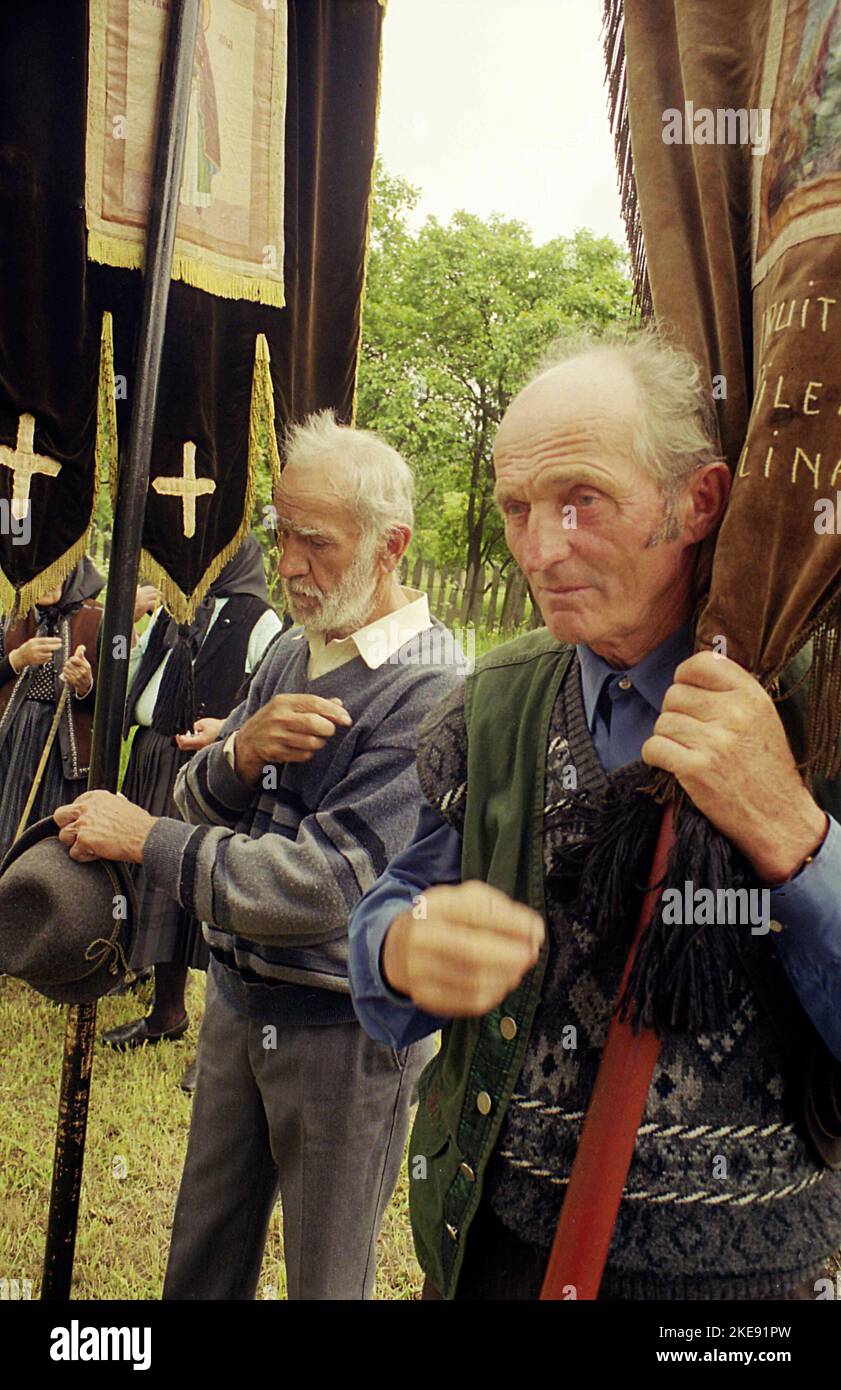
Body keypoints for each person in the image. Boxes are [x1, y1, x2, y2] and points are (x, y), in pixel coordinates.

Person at [348, 331, 841, 1302]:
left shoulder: (817, 711)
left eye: (581, 501)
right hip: (499, 1255)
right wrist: (402, 947)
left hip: (751, 1286)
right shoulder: (491, 706)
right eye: (518, 508)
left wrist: (791, 831)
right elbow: (392, 911)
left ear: (695, 501)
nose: (539, 547)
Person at [53, 411, 468, 1300]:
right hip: (240, 1004)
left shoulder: (433, 689)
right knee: (202, 1255)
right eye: (285, 538)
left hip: (345, 1036)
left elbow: (320, 891)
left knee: (324, 1276)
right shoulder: (292, 643)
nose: (289, 567)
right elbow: (192, 793)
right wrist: (240, 756)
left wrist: (146, 841)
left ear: (389, 545)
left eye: (316, 544)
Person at [101, 535, 282, 1073]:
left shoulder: (260, 620)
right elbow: (138, 674)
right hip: (154, 757)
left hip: (208, 771)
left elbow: (269, 701)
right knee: (147, 884)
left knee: (194, 891)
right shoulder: (179, 608)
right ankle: (154, 999)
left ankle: (199, 1034)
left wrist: (229, 733)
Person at [0, 557, 105, 860]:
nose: (45, 583)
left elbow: (117, 702)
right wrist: (16, 660)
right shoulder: (12, 614)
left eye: (54, 574)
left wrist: (85, 684)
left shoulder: (98, 619)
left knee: (50, 836)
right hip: (12, 737)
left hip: (64, 746)